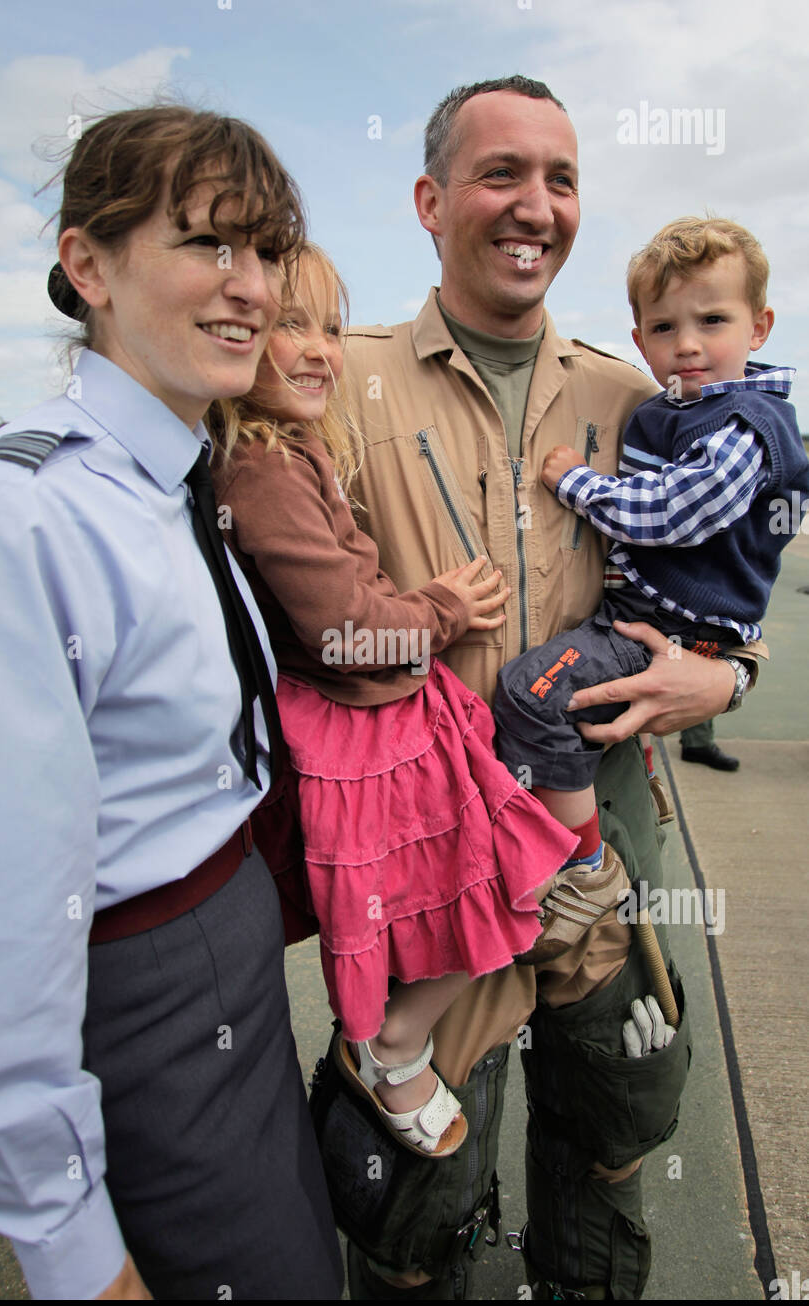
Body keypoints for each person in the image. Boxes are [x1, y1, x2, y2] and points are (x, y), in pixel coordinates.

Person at [315, 76, 764, 1301]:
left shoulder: (640, 397)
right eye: (500, 173)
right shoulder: (337, 390)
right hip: (429, 872)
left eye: (559, 179)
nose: (534, 205)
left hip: (598, 852)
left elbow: (726, 591)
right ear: (428, 199)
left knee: (612, 1137)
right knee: (411, 1202)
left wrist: (718, 680)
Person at [0, 105, 343, 1301]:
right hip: (143, 997)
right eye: (207, 244)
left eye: (265, 250)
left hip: (237, 950)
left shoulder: (177, 477)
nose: (252, 287)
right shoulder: (15, 519)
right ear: (88, 265)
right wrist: (73, 1259)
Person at [214, 242, 577, 1159]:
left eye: (330, 327)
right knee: (500, 884)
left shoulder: (295, 448)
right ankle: (393, 1042)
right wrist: (446, 606)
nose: (319, 349)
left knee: (495, 881)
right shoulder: (259, 466)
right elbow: (342, 628)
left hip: (388, 715)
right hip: (361, 727)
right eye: (287, 324)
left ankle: (391, 1038)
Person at [495, 216, 808, 957]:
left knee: (533, 694)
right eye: (665, 327)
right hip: (657, 618)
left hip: (657, 625)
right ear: (640, 339)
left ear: (760, 327)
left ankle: (583, 867)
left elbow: (675, 512)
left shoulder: (742, 425)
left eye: (714, 320)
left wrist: (574, 481)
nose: (689, 344)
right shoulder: (666, 407)